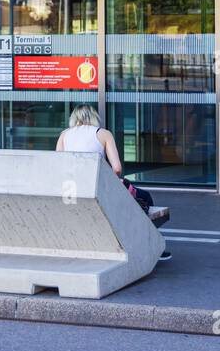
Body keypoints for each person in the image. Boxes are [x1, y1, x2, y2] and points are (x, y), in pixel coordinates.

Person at [56, 104, 170, 260]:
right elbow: (116, 168)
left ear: (74, 118)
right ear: (94, 117)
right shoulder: (103, 134)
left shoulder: (64, 135)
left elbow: (58, 165)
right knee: (145, 198)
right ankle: (151, 246)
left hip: (73, 190)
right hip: (98, 188)